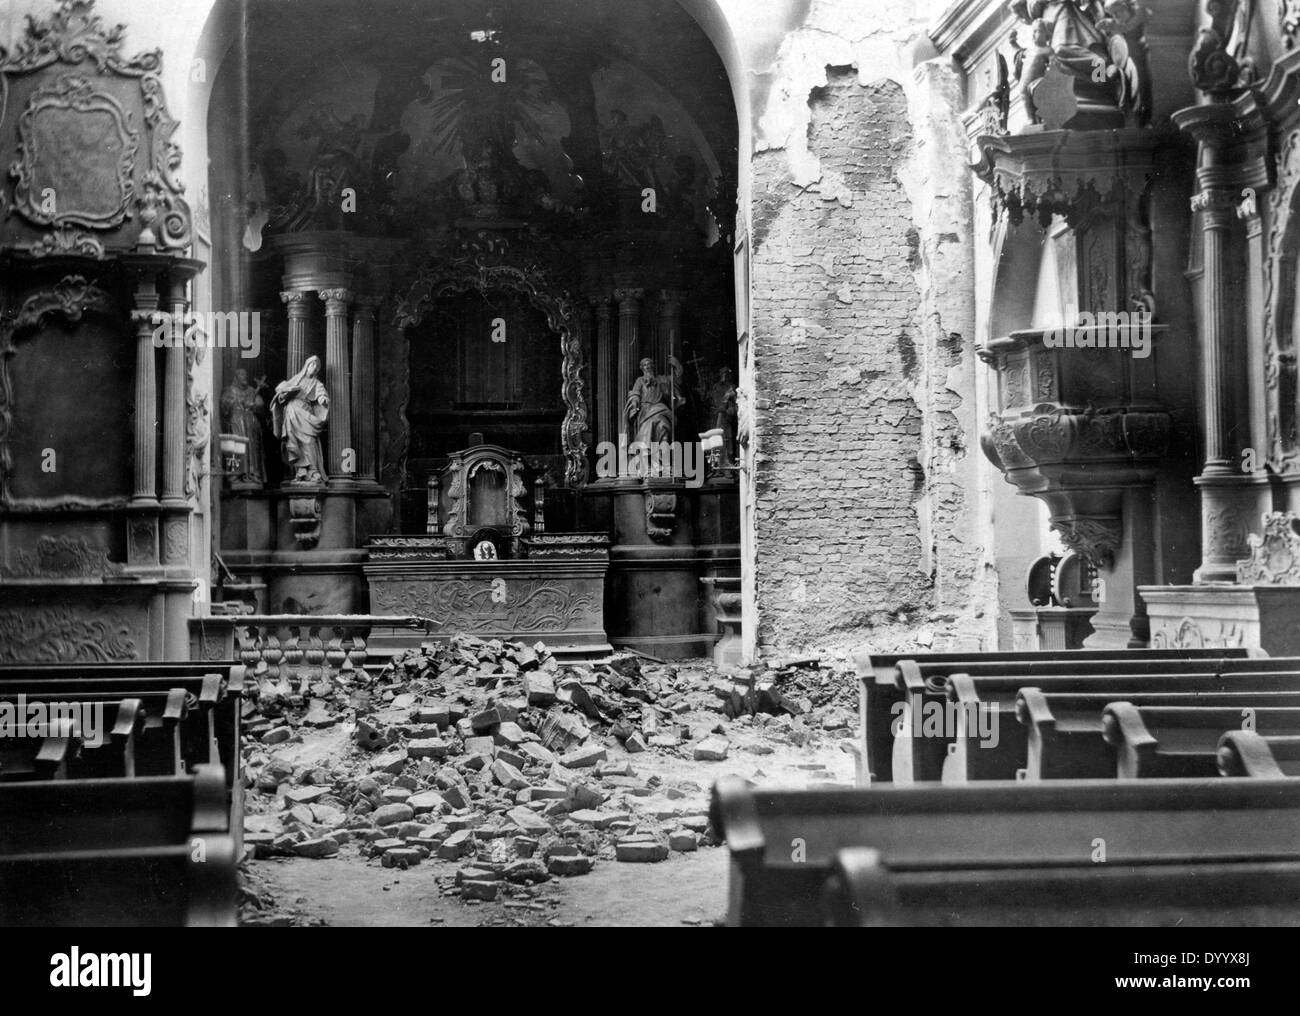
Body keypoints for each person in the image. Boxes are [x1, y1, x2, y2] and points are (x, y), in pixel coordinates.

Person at [272, 355, 329, 483]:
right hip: (292, 411)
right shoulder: (296, 379)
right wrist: (284, 393)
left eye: (317, 366)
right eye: (312, 365)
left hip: (305, 413)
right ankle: (301, 469)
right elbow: (281, 394)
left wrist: (323, 399)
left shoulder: (317, 383)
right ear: (307, 366)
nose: (314, 368)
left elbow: (320, 393)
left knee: (309, 440)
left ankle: (313, 470)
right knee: (294, 440)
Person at [220, 368, 269, 486]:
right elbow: (224, 407)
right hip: (236, 421)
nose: (244, 377)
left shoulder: (252, 390)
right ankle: (236, 475)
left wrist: (255, 405)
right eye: (241, 375)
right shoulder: (230, 390)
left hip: (250, 423)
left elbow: (260, 406)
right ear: (236, 377)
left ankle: (253, 474)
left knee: (252, 448)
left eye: (245, 375)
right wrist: (233, 402)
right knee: (236, 446)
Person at [625, 355, 684, 449]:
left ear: (653, 366)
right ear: (642, 368)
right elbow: (635, 393)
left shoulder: (662, 379)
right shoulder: (640, 380)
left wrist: (676, 365)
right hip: (645, 411)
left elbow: (677, 379)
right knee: (651, 424)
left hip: (661, 409)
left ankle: (662, 454)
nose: (647, 367)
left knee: (663, 424)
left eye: (649, 364)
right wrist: (635, 401)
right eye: (645, 365)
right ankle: (650, 454)